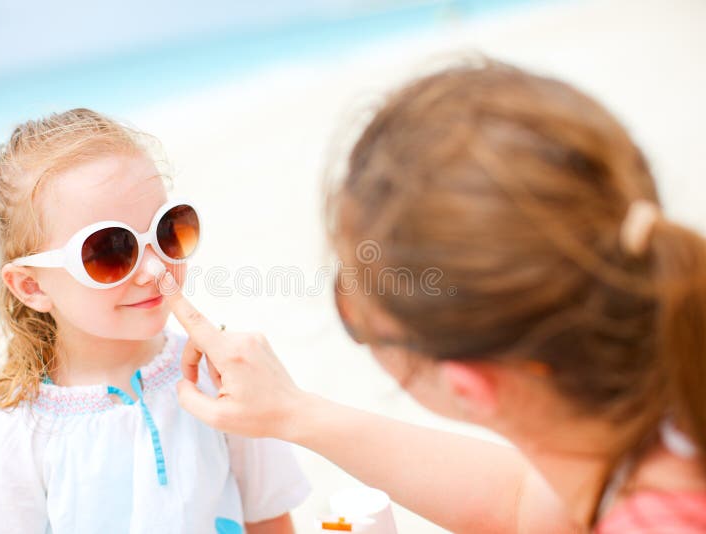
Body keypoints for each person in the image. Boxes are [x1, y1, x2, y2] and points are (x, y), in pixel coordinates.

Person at [163, 61, 706, 533]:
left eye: (355, 306)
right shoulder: (659, 404)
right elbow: (522, 504)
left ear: (472, 388)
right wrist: (291, 411)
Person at [0, 109, 309, 534]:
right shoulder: (12, 442)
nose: (153, 269)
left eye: (167, 231)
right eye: (109, 250)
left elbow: (269, 518)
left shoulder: (223, 377)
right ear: (31, 287)